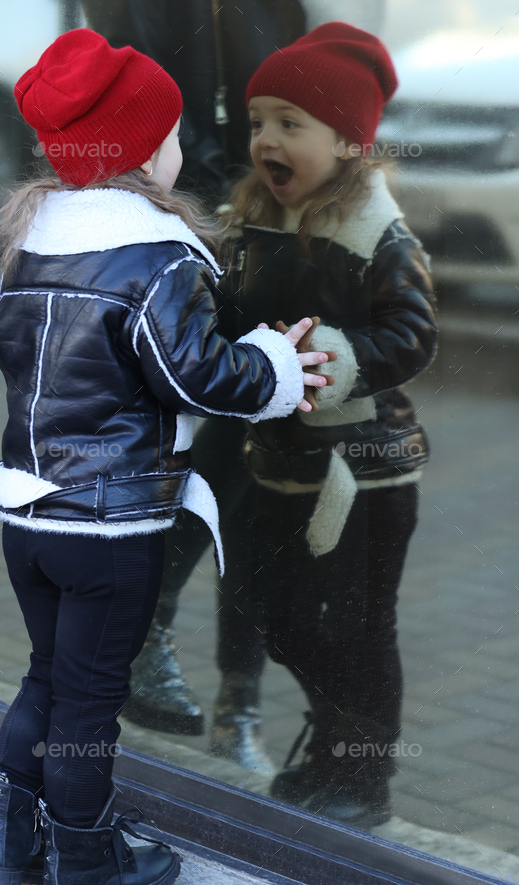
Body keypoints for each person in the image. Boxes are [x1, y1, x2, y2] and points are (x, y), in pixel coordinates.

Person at [0, 28, 335, 885]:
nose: (178, 151)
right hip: (109, 524)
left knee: (48, 680)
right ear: (139, 155)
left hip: (30, 514)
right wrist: (276, 368)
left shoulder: (34, 244)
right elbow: (196, 376)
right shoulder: (153, 255)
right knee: (91, 702)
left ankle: (6, 841)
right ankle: (89, 857)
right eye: (168, 138)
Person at [215, 22, 437, 828]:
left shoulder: (378, 233)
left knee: (359, 626)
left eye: (289, 123)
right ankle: (337, 736)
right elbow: (236, 313)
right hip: (280, 463)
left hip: (367, 471)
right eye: (257, 121)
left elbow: (414, 335)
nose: (265, 139)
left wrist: (342, 360)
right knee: (268, 605)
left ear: (348, 142)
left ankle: (361, 776)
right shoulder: (254, 220)